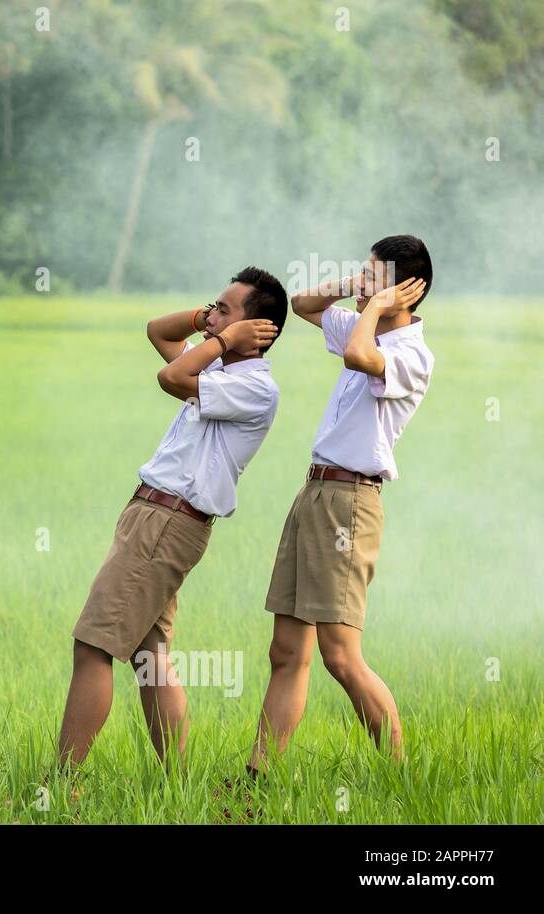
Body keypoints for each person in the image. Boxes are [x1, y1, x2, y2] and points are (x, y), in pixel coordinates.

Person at [58, 267, 287, 771]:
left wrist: (223, 338)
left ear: (257, 330)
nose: (211, 318)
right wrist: (211, 321)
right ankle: (177, 784)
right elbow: (157, 331)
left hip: (166, 522)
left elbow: (171, 377)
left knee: (93, 646)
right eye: (213, 307)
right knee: (149, 659)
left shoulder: (252, 387)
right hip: (154, 516)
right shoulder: (219, 370)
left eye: (225, 309)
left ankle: (58, 786)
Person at [248, 235, 434, 778]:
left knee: (340, 655)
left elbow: (358, 354)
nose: (363, 287)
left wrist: (375, 306)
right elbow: (304, 306)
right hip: (315, 493)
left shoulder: (410, 354)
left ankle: (402, 778)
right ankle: (258, 781)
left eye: (376, 277)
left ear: (404, 291)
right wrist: (358, 289)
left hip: (351, 503)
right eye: (363, 275)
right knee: (286, 651)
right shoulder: (365, 323)